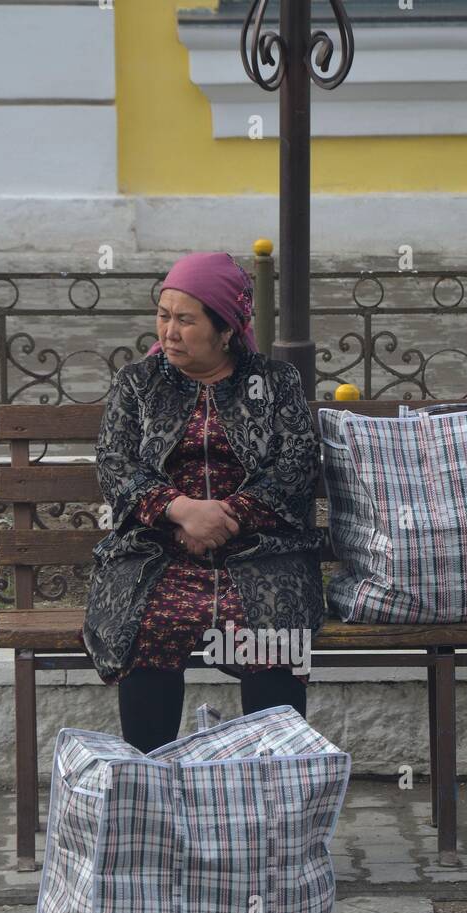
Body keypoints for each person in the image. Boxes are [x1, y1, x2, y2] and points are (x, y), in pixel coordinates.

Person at [82, 251, 325, 753]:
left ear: (226, 329)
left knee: (271, 628)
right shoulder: (139, 383)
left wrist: (228, 516)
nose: (169, 331)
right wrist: (182, 511)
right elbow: (114, 462)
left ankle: (271, 789)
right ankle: (152, 781)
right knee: (146, 623)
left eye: (186, 320)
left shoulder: (274, 383)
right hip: (160, 551)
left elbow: (297, 466)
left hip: (260, 553)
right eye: (164, 315)